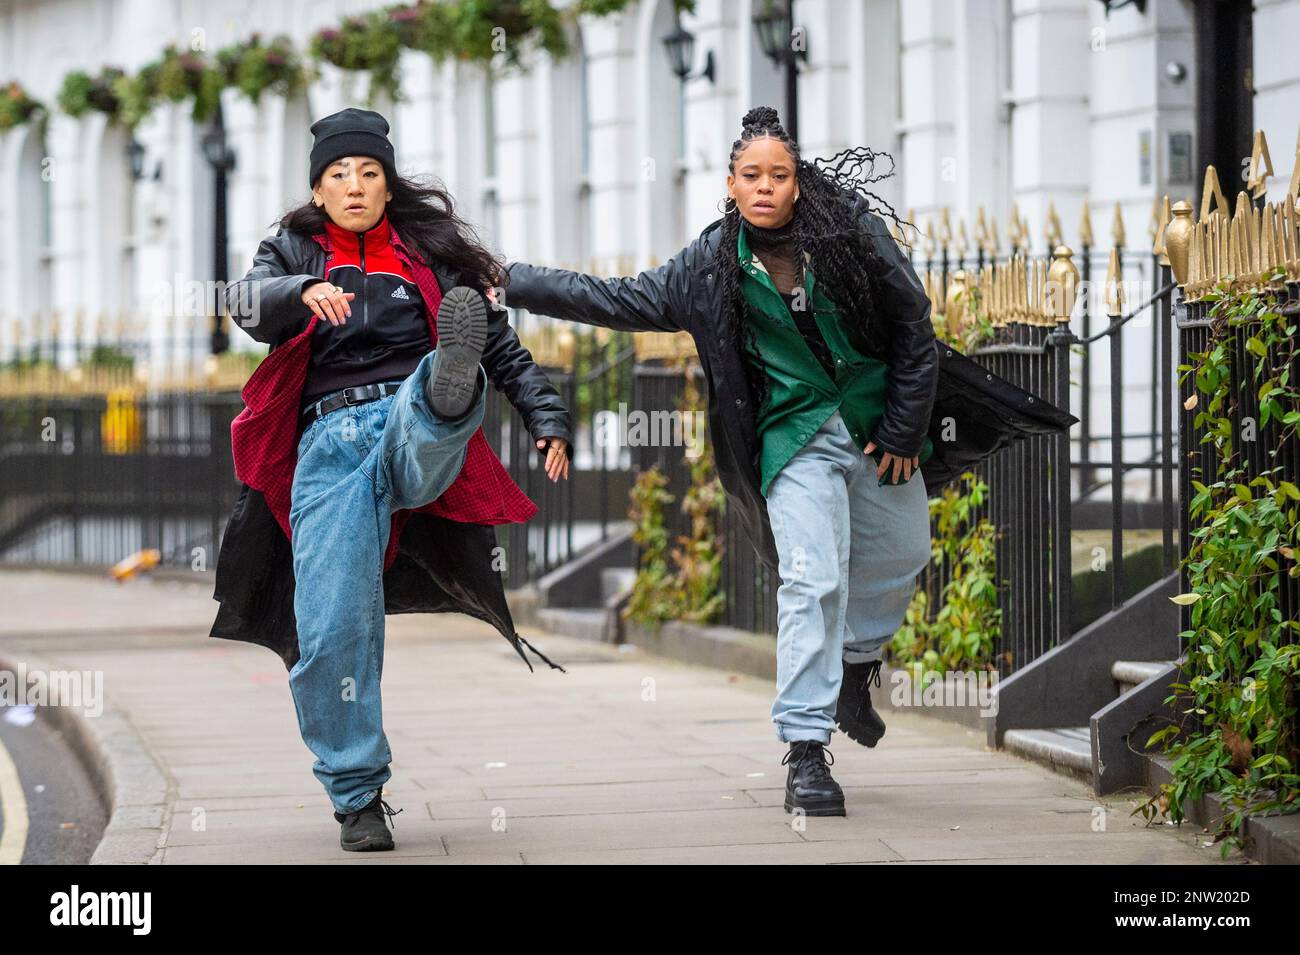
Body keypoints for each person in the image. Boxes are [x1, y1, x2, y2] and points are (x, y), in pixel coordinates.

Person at [499, 106, 939, 818]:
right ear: (730, 183)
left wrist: (902, 428)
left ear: (799, 182)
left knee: (903, 551)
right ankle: (804, 750)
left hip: (871, 425)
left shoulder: (851, 231)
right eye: (751, 175)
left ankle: (855, 668)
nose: (765, 186)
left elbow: (913, 320)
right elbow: (612, 299)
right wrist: (510, 279)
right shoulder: (708, 267)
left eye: (780, 174)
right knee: (811, 577)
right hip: (791, 439)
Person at [213, 107, 573, 851]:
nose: (355, 185)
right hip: (329, 446)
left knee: (436, 402)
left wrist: (547, 417)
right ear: (319, 189)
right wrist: (296, 294)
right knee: (333, 623)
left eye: (369, 173)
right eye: (340, 174)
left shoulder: (426, 254)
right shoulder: (288, 250)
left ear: (387, 184)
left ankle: (448, 380)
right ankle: (358, 796)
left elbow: (503, 346)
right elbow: (243, 304)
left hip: (408, 420)